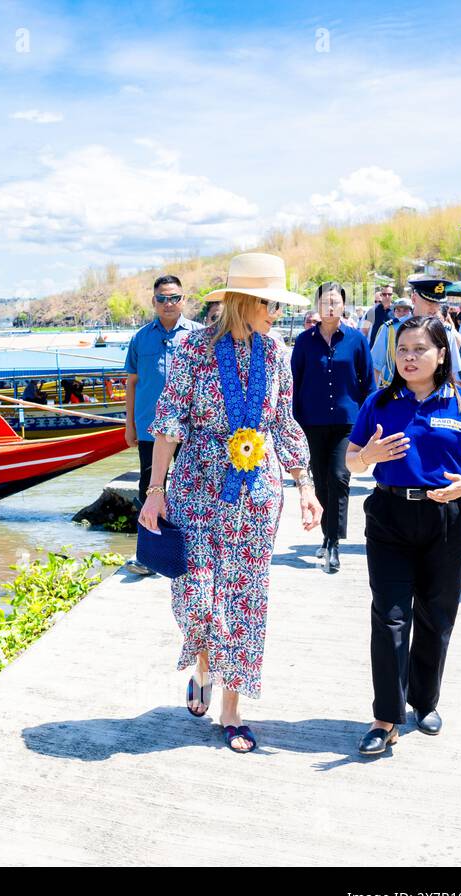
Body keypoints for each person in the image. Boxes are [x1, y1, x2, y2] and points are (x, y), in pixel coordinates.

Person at [139, 253, 323, 752]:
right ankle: (202, 662)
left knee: (245, 599)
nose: (277, 315)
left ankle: (232, 710)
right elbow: (169, 422)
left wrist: (305, 486)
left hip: (258, 493)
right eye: (270, 304)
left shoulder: (277, 350)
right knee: (195, 596)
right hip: (198, 486)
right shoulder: (193, 350)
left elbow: (284, 423)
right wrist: (155, 492)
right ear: (245, 302)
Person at [346, 316, 461, 755]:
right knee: (391, 616)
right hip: (390, 516)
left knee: (437, 617)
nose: (409, 357)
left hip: (446, 518)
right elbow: (352, 461)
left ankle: (425, 701)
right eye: (403, 350)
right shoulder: (379, 402)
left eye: (419, 349)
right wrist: (369, 456)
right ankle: (386, 717)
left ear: (441, 354)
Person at [291, 281, 375, 572]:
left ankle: (334, 541)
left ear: (343, 306)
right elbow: (294, 383)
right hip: (311, 422)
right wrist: (292, 424)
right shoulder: (304, 342)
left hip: (347, 422)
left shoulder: (356, 340)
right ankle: (326, 536)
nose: (330, 307)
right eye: (325, 302)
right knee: (322, 480)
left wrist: (370, 422)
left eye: (335, 302)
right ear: (317, 306)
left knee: (339, 477)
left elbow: (368, 384)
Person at [123, 275, 202, 576]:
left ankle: (189, 551)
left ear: (184, 299)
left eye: (174, 297)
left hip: (191, 429)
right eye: (162, 299)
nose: (168, 303)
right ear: (153, 301)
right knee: (150, 487)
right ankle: (149, 556)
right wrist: (128, 425)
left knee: (190, 487)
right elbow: (131, 383)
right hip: (149, 428)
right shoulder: (140, 338)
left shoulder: (199, 335)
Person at [372, 277, 461, 387]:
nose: (434, 309)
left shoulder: (446, 332)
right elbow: (374, 369)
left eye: (437, 304)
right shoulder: (391, 330)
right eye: (429, 302)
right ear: (414, 299)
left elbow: (453, 374)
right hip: (396, 398)